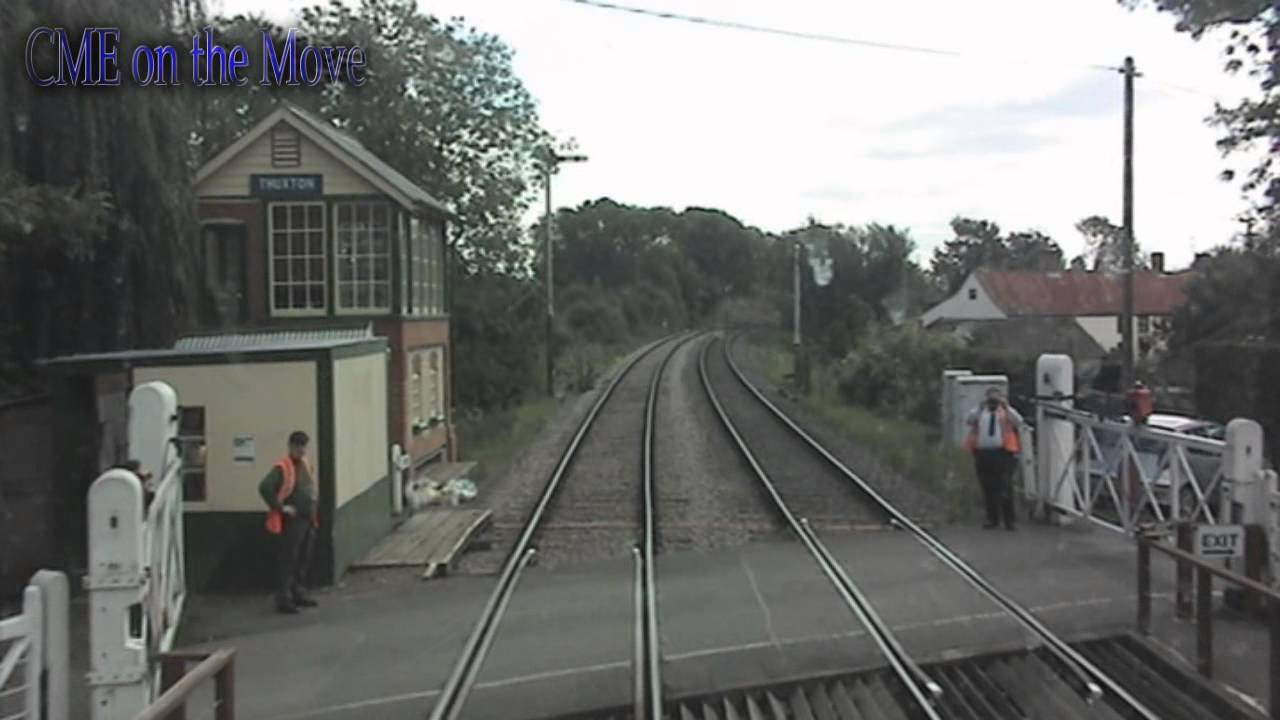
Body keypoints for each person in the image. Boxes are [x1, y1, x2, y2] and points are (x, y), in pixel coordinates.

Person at [259, 431, 319, 613]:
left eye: (304, 447)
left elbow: (309, 487)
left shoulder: (305, 464)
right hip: (293, 521)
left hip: (307, 518)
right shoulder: (282, 467)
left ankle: (297, 591)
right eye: (298, 447)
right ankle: (284, 598)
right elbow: (265, 487)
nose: (301, 451)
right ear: (291, 446)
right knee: (289, 559)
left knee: (303, 557)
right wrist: (280, 507)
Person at [964, 387, 1023, 531]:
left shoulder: (1005, 413)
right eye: (991, 399)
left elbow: (1018, 421)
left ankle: (1009, 520)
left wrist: (1005, 406)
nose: (993, 402)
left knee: (1005, 486)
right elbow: (969, 420)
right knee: (988, 487)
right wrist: (980, 406)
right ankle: (992, 518)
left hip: (1003, 452)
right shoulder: (980, 412)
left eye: (995, 399)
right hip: (983, 453)